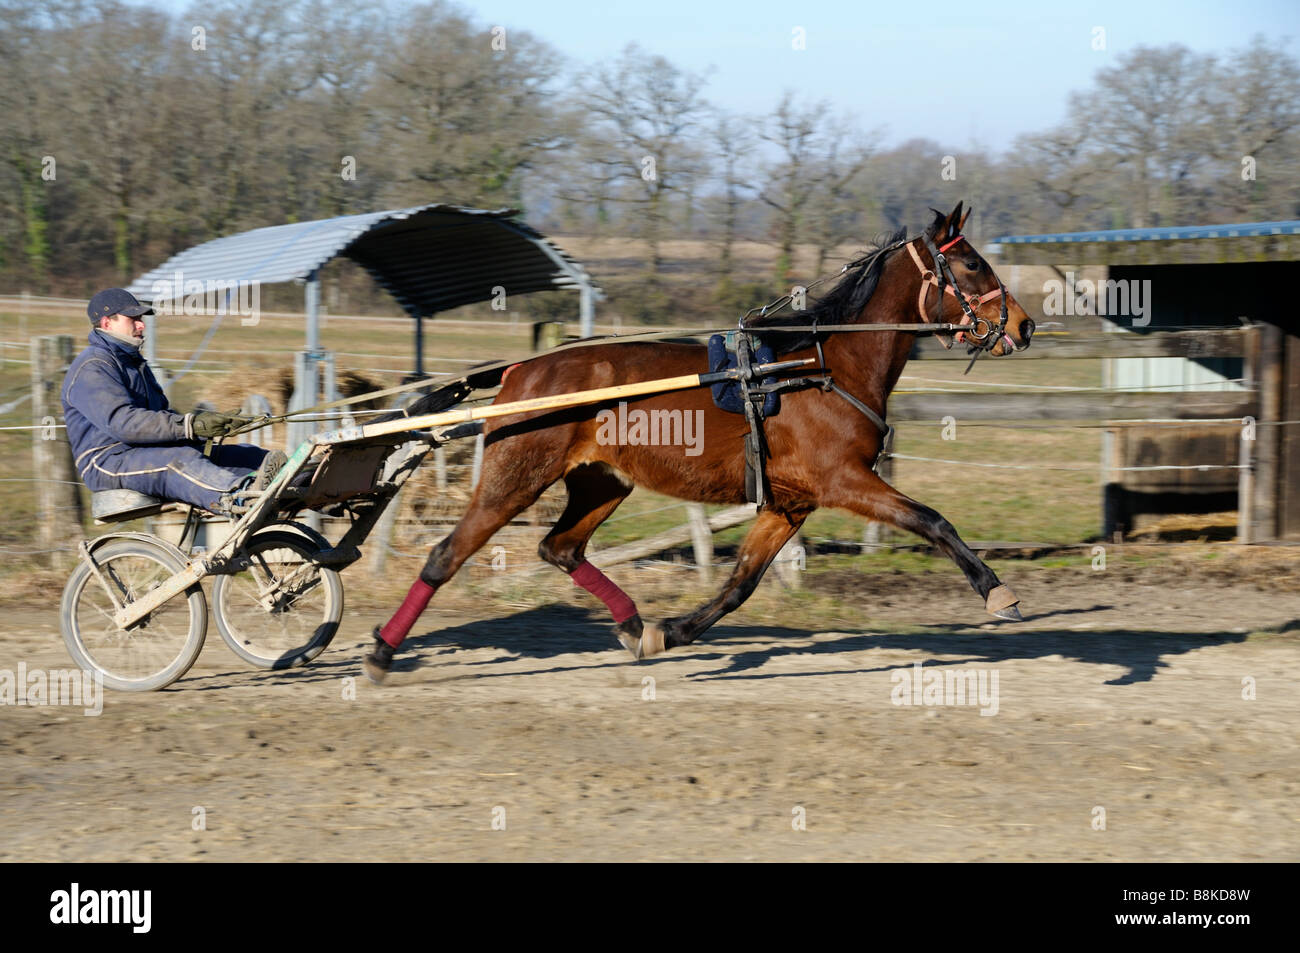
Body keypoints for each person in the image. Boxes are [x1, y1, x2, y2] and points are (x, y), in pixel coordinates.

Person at [62, 288, 286, 517]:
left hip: (146, 452)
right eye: (134, 319)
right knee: (178, 462)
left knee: (246, 455)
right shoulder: (93, 367)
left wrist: (202, 428)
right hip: (108, 461)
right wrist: (189, 425)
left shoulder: (134, 363)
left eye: (140, 319)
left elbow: (159, 415)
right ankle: (239, 498)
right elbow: (125, 424)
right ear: (107, 323)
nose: (141, 325)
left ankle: (301, 486)